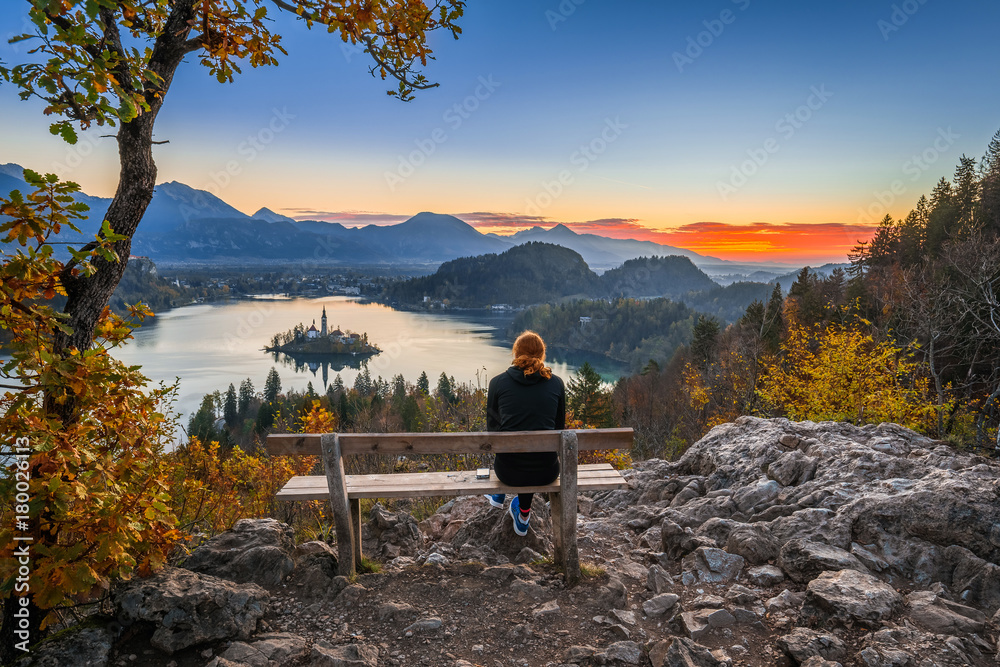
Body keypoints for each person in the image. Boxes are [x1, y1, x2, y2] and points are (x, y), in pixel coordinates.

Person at [484, 330, 566, 536]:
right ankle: (523, 515)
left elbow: (492, 430)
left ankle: (503, 499)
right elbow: (559, 428)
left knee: (514, 450)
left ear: (516, 353)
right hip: (547, 471)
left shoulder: (497, 383)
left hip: (507, 472)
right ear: (542, 354)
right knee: (532, 455)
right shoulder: (556, 384)